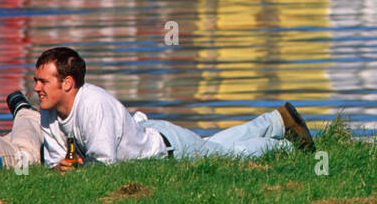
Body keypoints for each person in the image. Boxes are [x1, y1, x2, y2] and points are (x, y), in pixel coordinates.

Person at [29, 46, 313, 169]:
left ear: (67, 83)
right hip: (154, 134)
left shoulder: (94, 104)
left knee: (228, 155)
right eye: (36, 81)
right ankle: (277, 121)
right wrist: (62, 169)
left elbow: (104, 165)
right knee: (213, 145)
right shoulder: (48, 112)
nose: (37, 88)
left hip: (167, 149)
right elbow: (56, 162)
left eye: (43, 81)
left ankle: (286, 148)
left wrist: (77, 169)